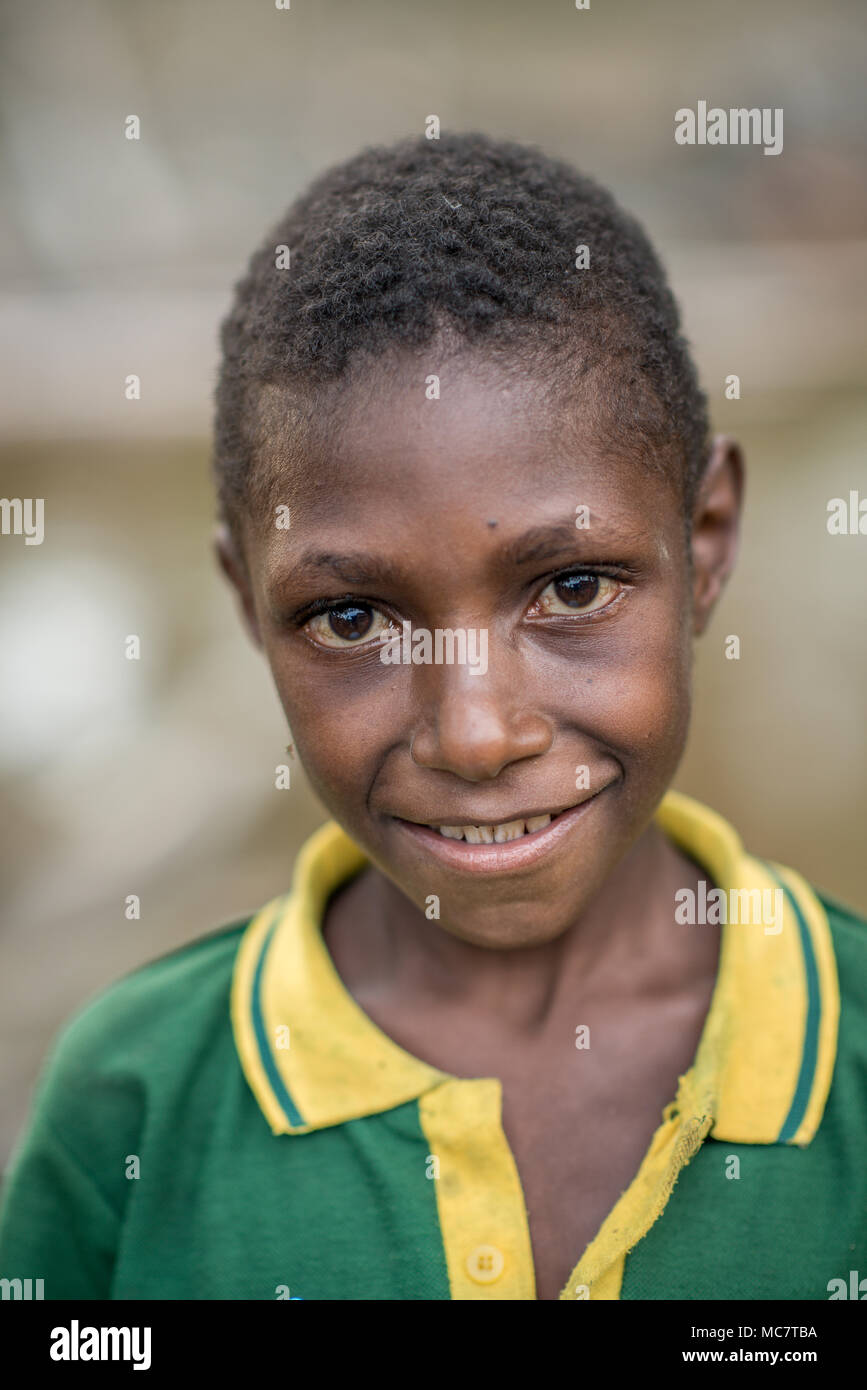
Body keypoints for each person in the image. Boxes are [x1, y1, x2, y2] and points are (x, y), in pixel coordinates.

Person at [1, 133, 864, 1301]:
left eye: (571, 588)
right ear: (249, 606)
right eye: (353, 618)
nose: (472, 731)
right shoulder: (133, 1100)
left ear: (704, 544)